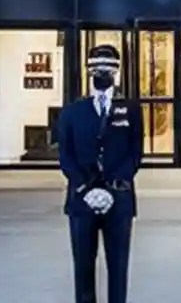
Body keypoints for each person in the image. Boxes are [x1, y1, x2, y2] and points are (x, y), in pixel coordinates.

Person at [56, 44, 143, 303]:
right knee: (83, 266)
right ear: (88, 70)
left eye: (108, 66)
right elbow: (66, 156)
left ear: (116, 71)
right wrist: (87, 188)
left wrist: (111, 189)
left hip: (120, 200)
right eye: (96, 65)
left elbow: (135, 154)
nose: (102, 71)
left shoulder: (130, 110)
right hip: (81, 201)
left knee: (118, 267)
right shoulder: (72, 112)